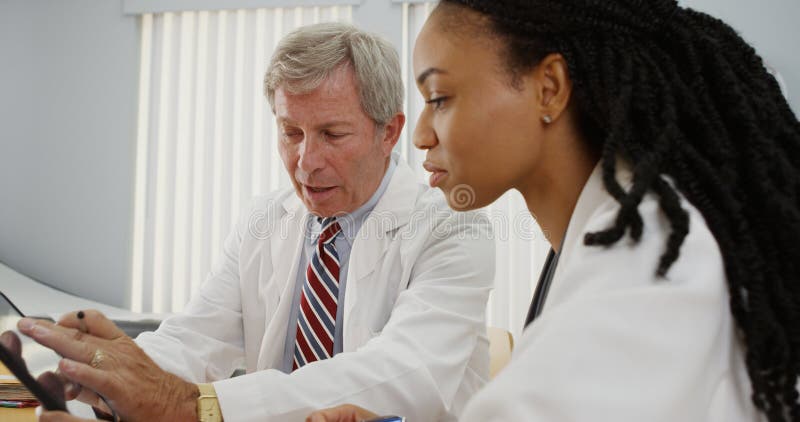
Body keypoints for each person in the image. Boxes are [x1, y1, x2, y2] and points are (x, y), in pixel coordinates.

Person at [308, 0, 800, 421]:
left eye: (440, 98)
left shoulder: (652, 252)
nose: (420, 135)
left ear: (549, 87)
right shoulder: (601, 231)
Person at [22, 22, 495, 422]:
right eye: (290, 132)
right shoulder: (264, 220)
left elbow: (401, 374)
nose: (306, 162)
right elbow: (197, 337)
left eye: (332, 134)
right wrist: (109, 383)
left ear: (388, 131)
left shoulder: (452, 227)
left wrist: (195, 406)